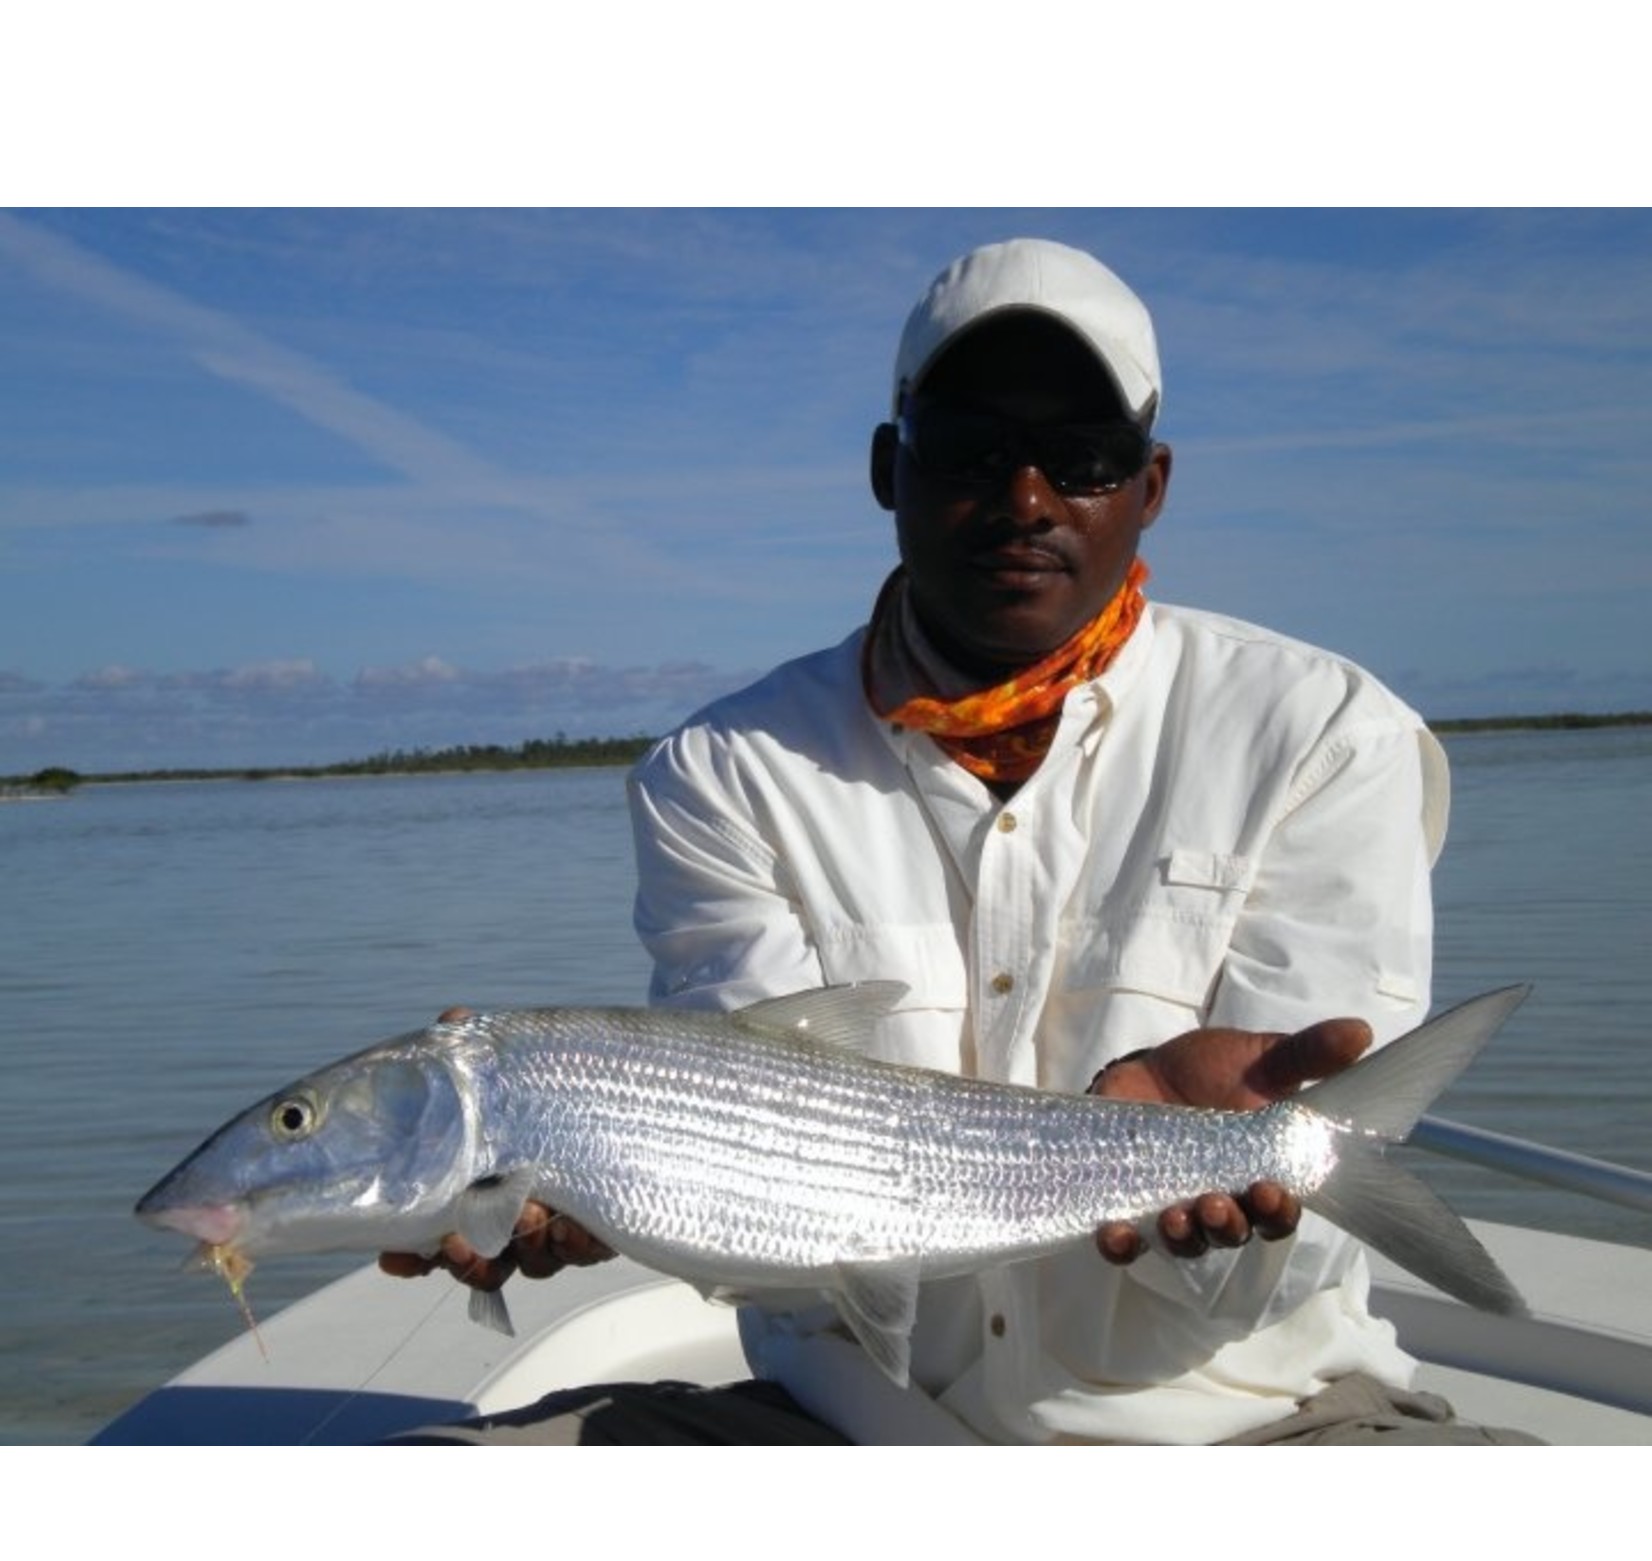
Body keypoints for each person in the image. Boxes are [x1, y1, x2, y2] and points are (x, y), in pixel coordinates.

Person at [383, 238, 1535, 1445]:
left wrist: (1224, 1170)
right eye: (971, 450)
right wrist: (609, 1192)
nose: (1025, 499)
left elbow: (1299, 1233)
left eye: (1082, 458)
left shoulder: (1322, 733)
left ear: (1149, 486)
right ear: (890, 468)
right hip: (837, 1421)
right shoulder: (721, 771)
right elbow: (764, 1168)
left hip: (1257, 1414)